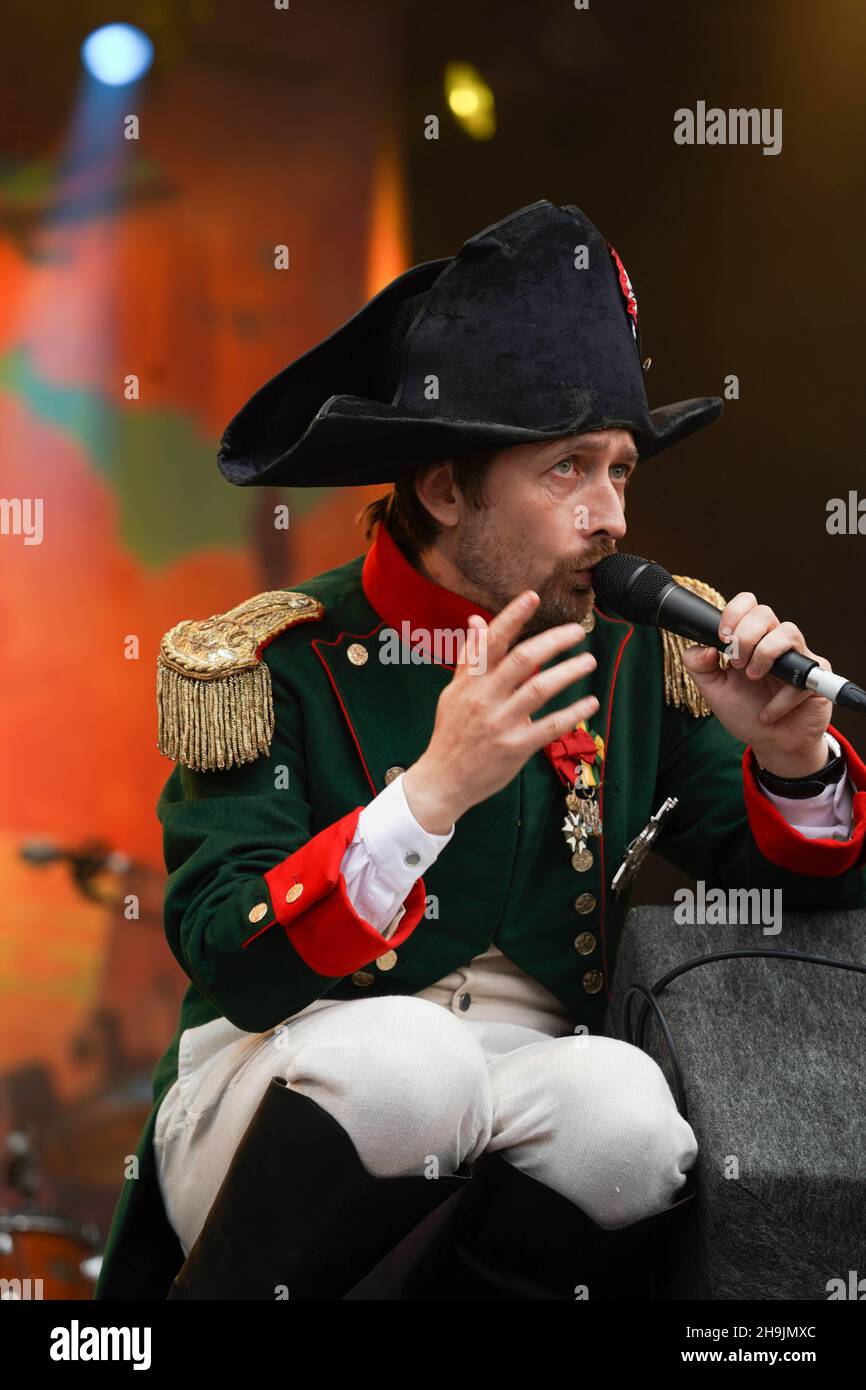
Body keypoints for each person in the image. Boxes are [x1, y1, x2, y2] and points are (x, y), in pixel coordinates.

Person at [94, 200, 866, 1301]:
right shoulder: (274, 662)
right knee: (409, 1063)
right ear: (445, 487)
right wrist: (428, 796)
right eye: (566, 471)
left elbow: (798, 883)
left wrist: (792, 756)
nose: (607, 515)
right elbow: (231, 957)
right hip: (280, 1076)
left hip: (518, 1089)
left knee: (626, 1115)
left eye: (619, 470)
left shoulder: (642, 663)